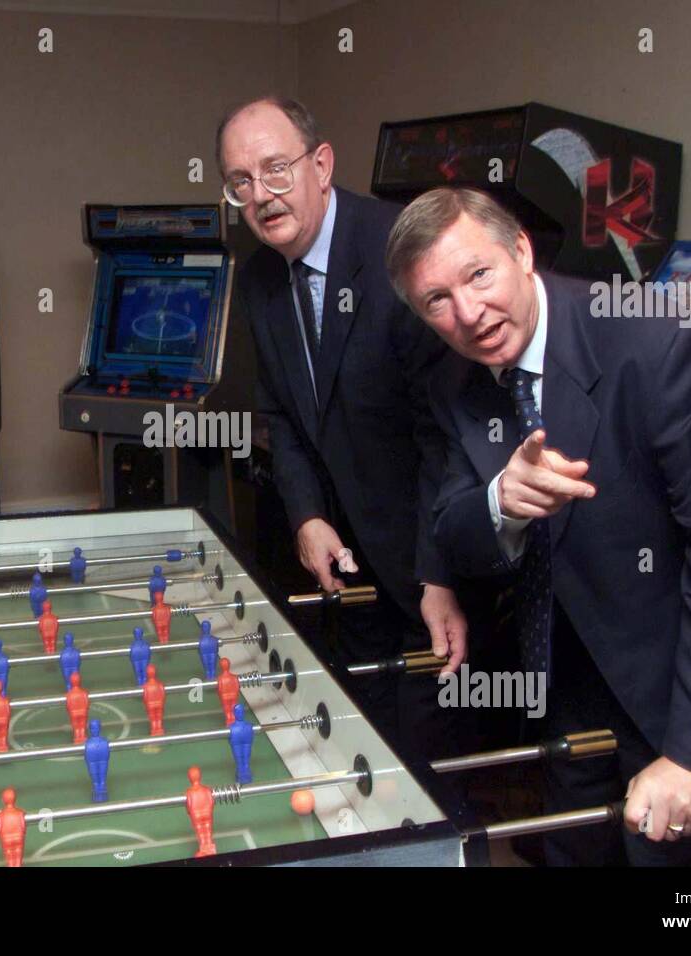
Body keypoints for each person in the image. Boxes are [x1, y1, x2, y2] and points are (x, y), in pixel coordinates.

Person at [385, 186, 691, 865]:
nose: (469, 313)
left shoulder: (659, 342)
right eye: (437, 300)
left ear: (522, 250)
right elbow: (453, 525)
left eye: (479, 274)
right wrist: (501, 498)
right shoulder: (453, 380)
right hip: (573, 673)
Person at [216, 95, 468, 750]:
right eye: (241, 181)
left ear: (321, 164)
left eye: (276, 169)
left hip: (435, 560)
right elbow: (281, 411)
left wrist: (440, 575)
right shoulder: (258, 277)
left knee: (426, 760)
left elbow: (451, 433)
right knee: (364, 739)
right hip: (353, 560)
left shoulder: (402, 251)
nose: (262, 195)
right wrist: (307, 516)